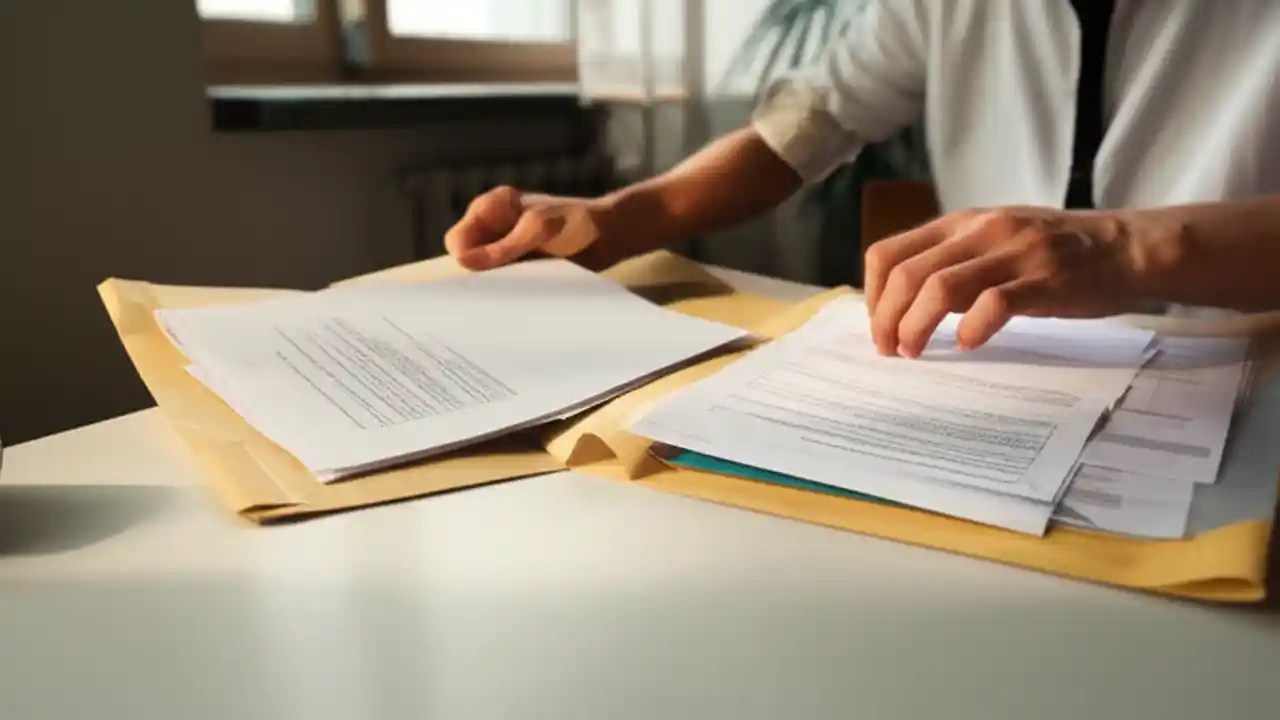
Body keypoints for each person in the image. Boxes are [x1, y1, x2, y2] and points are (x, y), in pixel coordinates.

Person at [445, 0, 1280, 357]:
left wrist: (1127, 247)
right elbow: (807, 123)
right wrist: (621, 216)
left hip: (1250, 378)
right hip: (1004, 381)